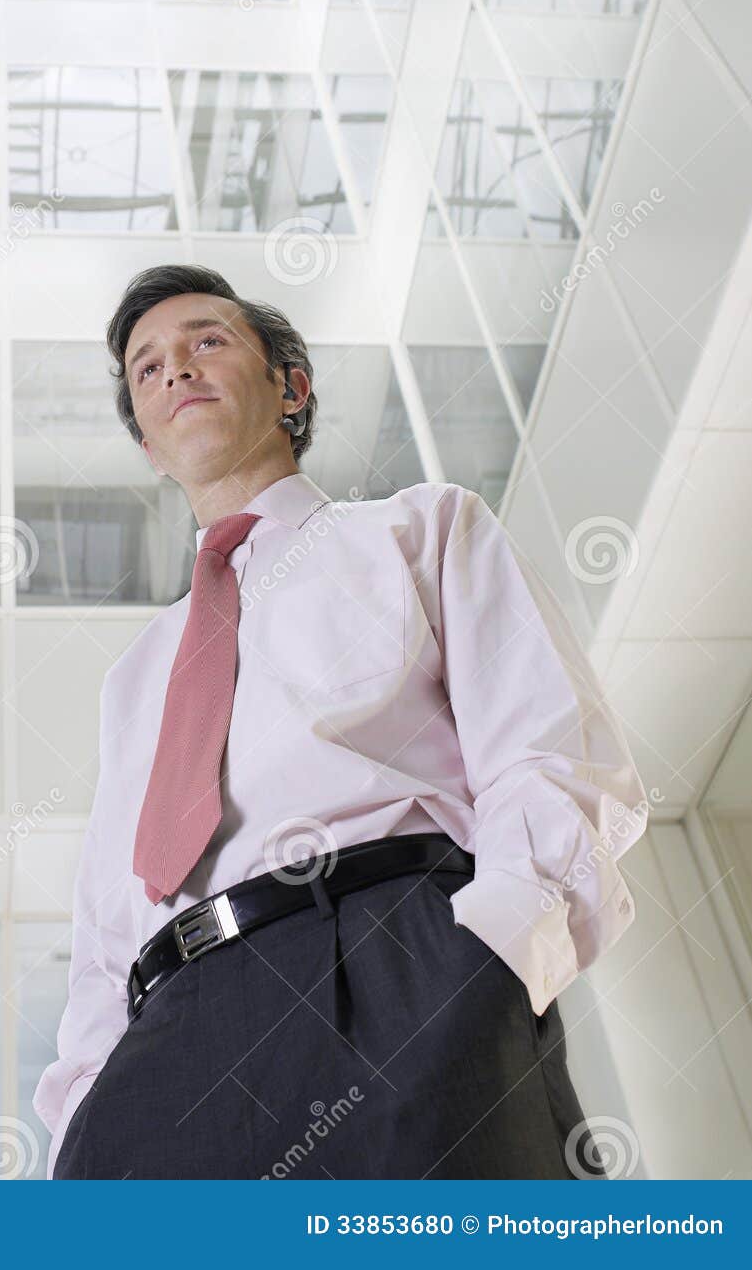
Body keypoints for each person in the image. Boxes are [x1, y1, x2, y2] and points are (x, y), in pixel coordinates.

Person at [32, 263, 647, 1180]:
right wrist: (86, 1107)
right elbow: (103, 924)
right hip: (161, 1044)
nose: (175, 370)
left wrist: (494, 957)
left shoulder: (422, 530)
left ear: (291, 387)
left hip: (393, 962)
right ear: (151, 447)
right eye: (146, 368)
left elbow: (548, 755)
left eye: (206, 341)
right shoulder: (135, 676)